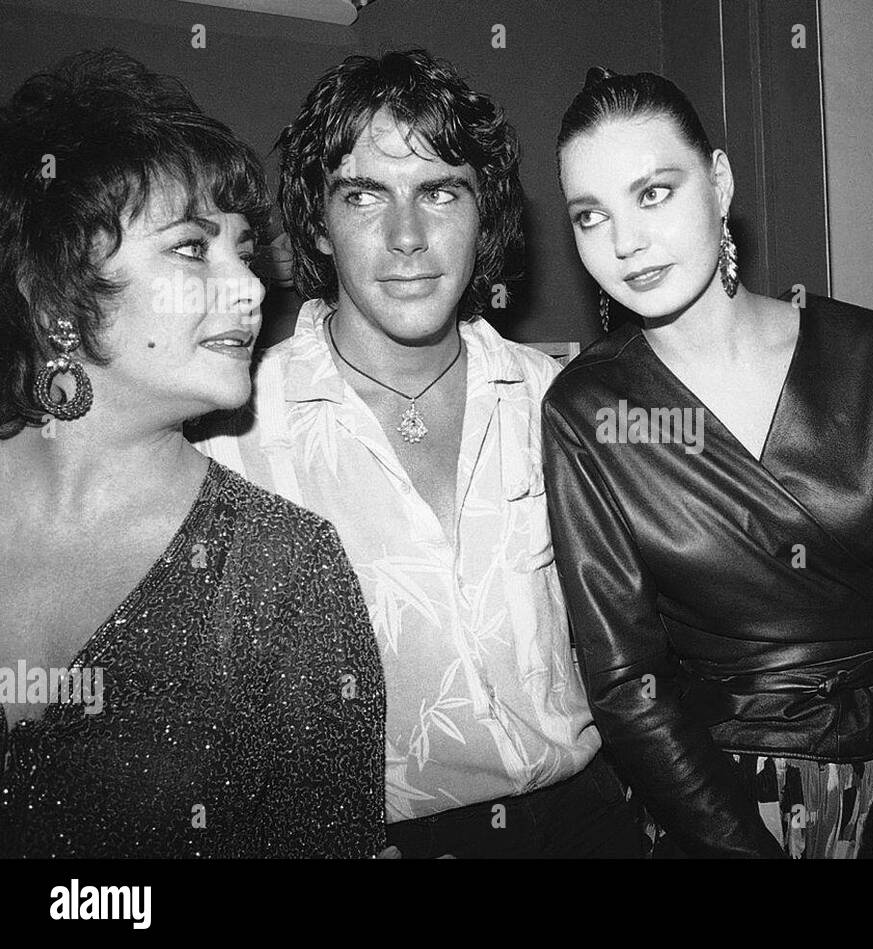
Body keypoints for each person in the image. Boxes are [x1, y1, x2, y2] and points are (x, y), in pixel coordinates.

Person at [193, 50, 641, 859]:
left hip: (588, 823)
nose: (407, 238)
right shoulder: (232, 433)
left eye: (439, 192)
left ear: (484, 214)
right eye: (364, 196)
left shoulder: (559, 402)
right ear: (318, 225)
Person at [542, 67, 873, 859]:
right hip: (715, 803)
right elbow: (627, 684)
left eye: (653, 193)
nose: (624, 242)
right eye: (590, 215)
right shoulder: (585, 410)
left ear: (720, 181)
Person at [0, 49, 386, 858]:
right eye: (190, 248)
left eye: (244, 251)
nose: (250, 287)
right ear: (55, 286)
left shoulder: (285, 571)